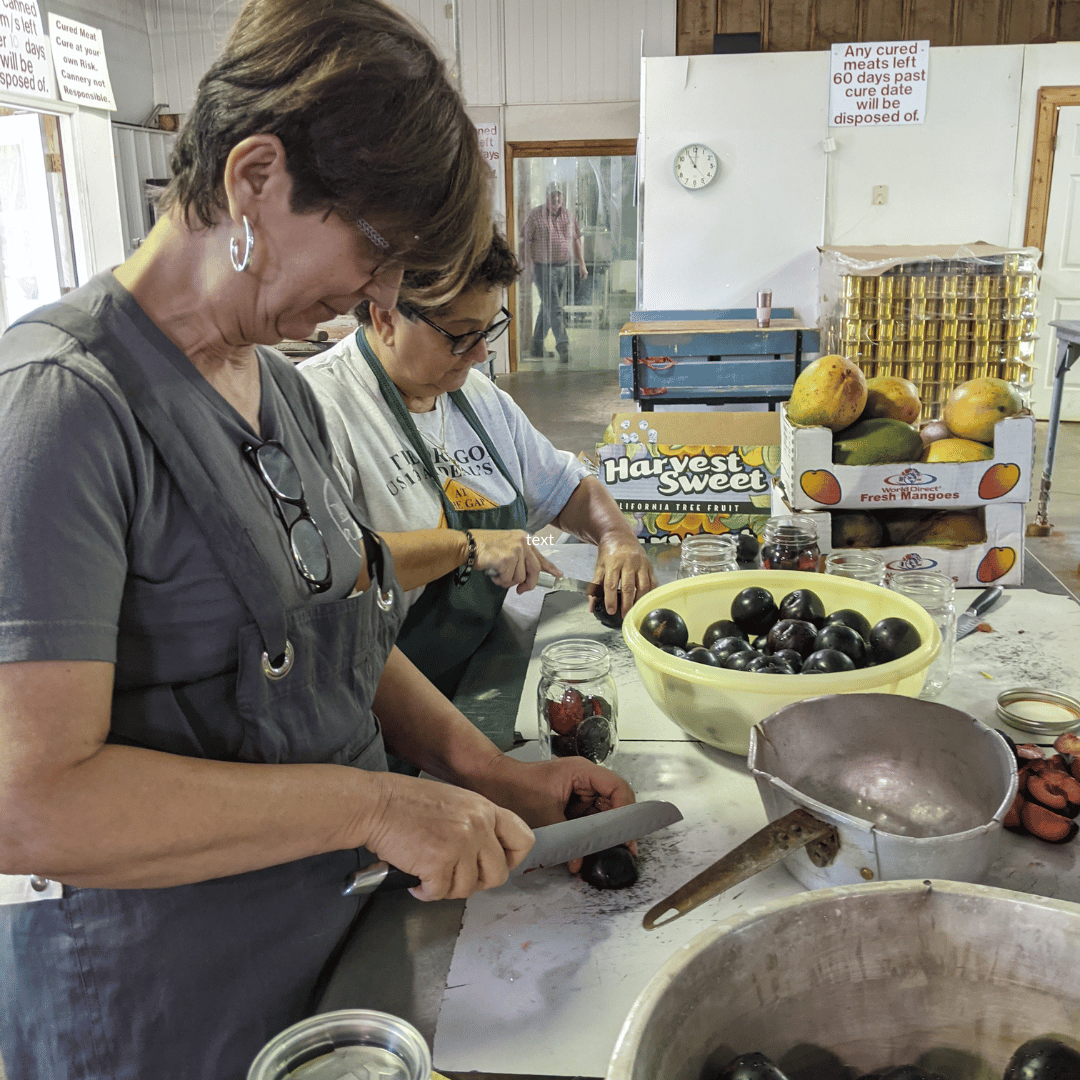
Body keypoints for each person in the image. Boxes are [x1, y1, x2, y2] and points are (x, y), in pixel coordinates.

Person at [0, 3, 634, 1078]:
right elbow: (27, 799)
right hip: (164, 1016)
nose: (379, 298)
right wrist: (381, 803)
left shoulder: (280, 391)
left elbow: (334, 629)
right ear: (255, 179)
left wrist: (480, 769)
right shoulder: (63, 408)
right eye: (378, 251)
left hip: (326, 973)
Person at [299, 232, 656, 699]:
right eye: (461, 334)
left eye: (489, 329)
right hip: (375, 699)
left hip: (478, 671)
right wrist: (464, 547)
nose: (481, 353)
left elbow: (566, 486)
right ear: (385, 317)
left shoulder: (478, 396)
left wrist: (616, 537)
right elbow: (322, 565)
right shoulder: (315, 409)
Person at [522, 182, 589, 361]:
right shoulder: (536, 215)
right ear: (546, 197)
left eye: (559, 195)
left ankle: (536, 346)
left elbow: (576, 240)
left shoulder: (568, 215)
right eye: (553, 195)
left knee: (548, 308)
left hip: (562, 268)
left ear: (563, 197)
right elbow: (526, 242)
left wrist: (581, 264)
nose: (556, 198)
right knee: (555, 308)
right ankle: (563, 346)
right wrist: (527, 267)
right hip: (542, 269)